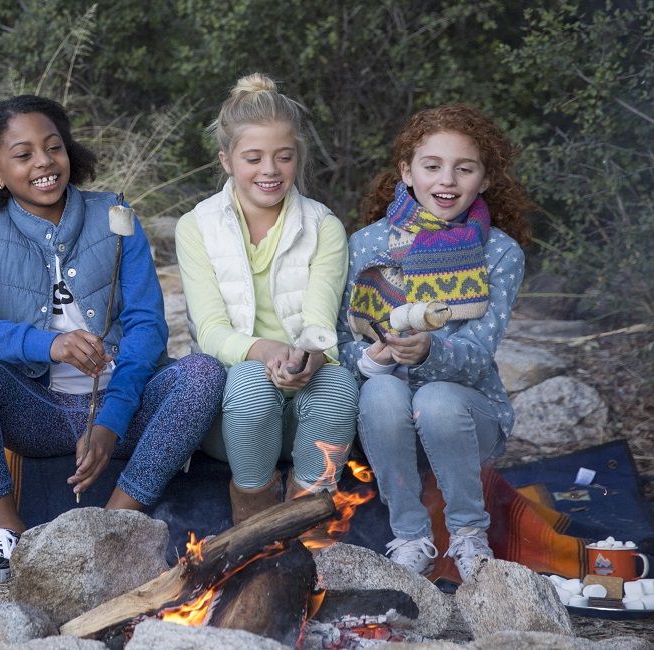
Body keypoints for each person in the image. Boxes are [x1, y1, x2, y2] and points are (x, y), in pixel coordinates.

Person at [0, 95, 227, 584]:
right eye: (23, 155)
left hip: (126, 409)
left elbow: (147, 327)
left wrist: (112, 418)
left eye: (54, 147)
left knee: (204, 373)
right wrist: (45, 344)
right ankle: (8, 537)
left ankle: (113, 527)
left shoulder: (115, 215)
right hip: (38, 413)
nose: (45, 162)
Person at [337, 104, 534, 583]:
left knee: (437, 396)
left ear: (485, 179)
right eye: (431, 166)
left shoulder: (499, 252)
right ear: (407, 171)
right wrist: (371, 357)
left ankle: (469, 536)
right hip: (386, 427)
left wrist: (430, 351)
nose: (447, 181)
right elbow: (340, 343)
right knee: (381, 390)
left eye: (464, 169)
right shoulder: (367, 246)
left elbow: (478, 355)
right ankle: (410, 538)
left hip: (467, 419)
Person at [175, 73, 358, 526]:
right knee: (251, 382)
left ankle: (307, 518)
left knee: (338, 386)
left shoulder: (324, 227)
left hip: (306, 406)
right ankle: (254, 513)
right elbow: (212, 331)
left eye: (284, 157)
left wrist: (308, 360)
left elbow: (321, 326)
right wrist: (266, 352)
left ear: (298, 158)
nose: (269, 171)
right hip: (234, 416)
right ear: (226, 160)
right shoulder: (196, 227)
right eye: (253, 158)